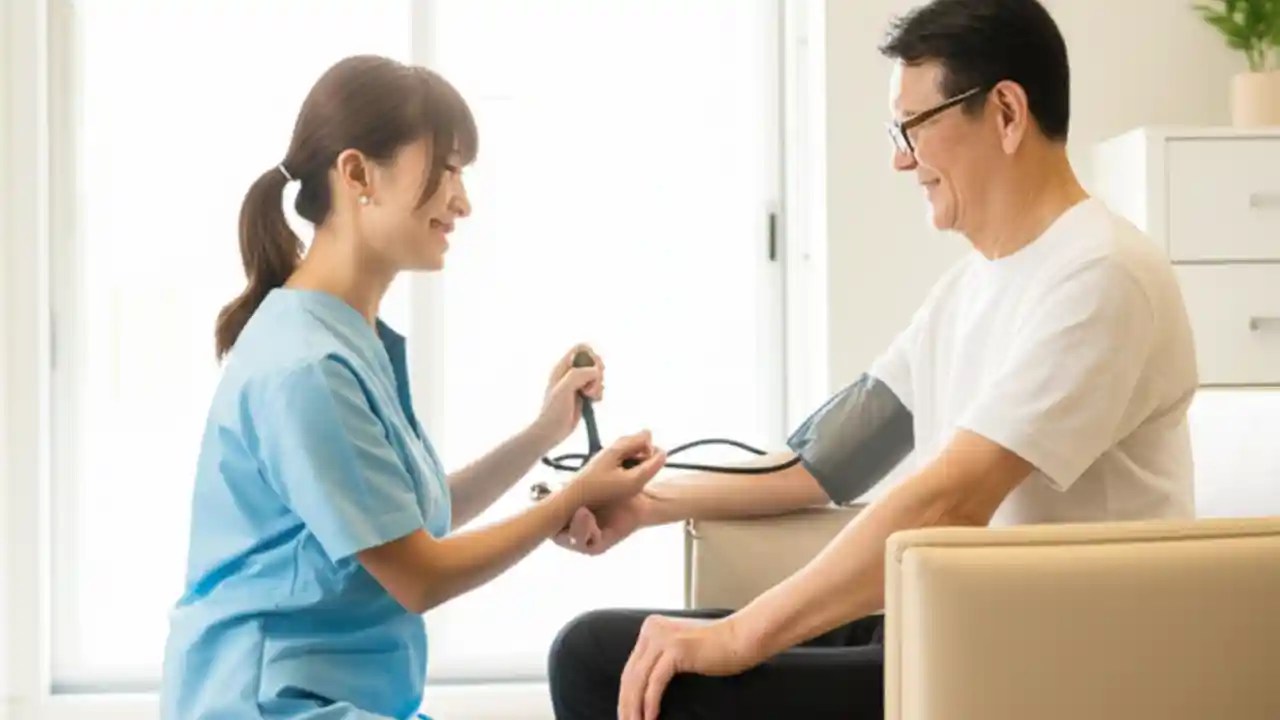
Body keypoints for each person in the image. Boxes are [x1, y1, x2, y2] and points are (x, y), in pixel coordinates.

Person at [546, 1, 1198, 718]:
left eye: (912, 128)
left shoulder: (1102, 275)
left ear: (1006, 112)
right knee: (597, 648)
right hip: (952, 627)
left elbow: (951, 502)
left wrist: (738, 637)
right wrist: (646, 504)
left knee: (603, 667)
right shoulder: (969, 288)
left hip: (1041, 660)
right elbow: (824, 463)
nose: (899, 158)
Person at [159, 55, 667, 720]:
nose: (462, 201)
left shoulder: (344, 341)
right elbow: (418, 576)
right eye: (447, 169)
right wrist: (572, 496)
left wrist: (548, 430)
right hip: (271, 704)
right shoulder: (308, 367)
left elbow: (414, 519)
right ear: (356, 174)